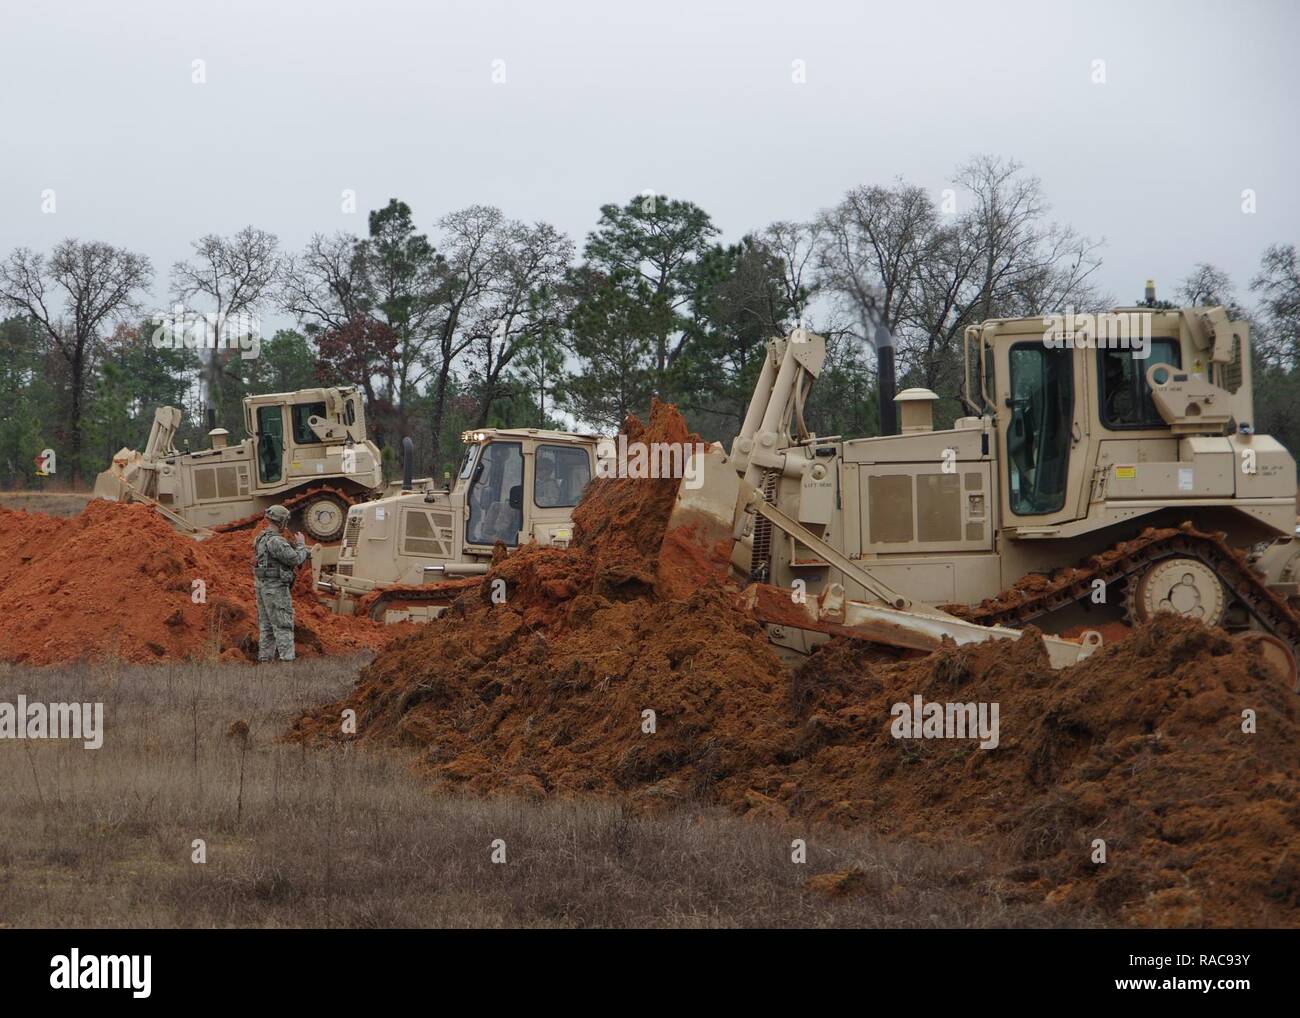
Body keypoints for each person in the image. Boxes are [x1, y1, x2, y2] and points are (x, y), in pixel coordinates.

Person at [252, 504, 316, 662]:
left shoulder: (260, 537)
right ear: (282, 522)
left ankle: (265, 660)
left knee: (266, 626)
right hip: (276, 588)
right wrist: (301, 544)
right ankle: (287, 661)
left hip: (262, 586)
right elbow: (294, 559)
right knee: (283, 624)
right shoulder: (276, 541)